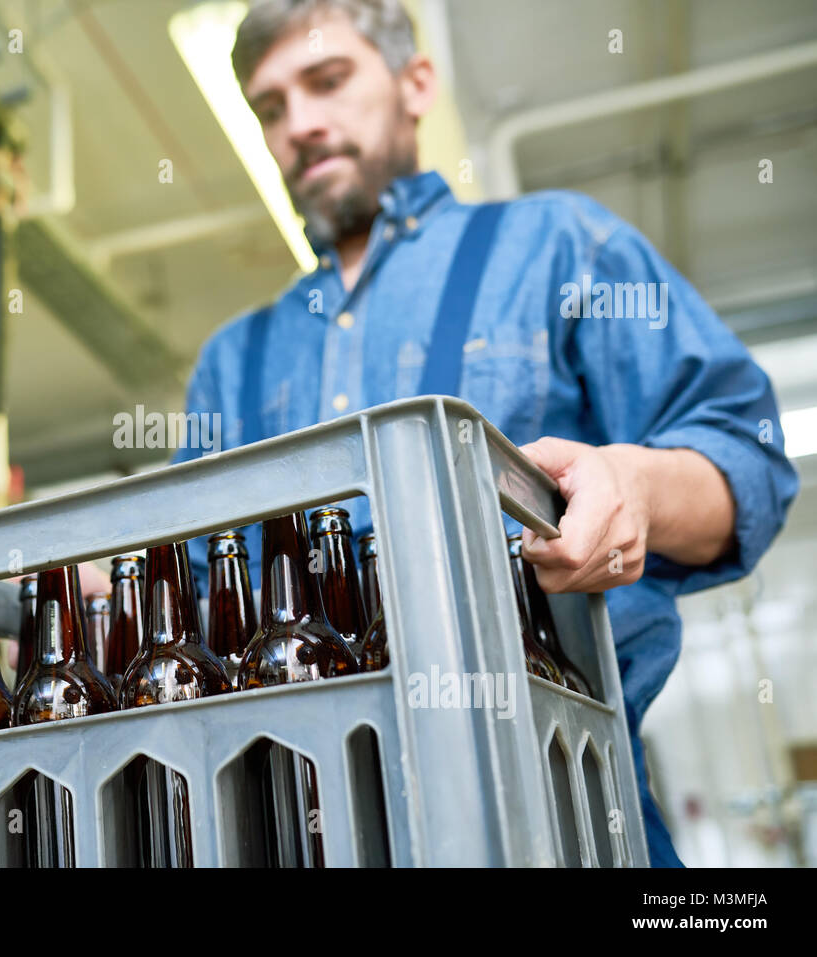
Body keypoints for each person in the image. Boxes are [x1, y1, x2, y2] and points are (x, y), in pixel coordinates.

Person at [171, 0, 798, 866]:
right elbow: (183, 594)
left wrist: (635, 486)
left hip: (565, 819)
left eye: (327, 81)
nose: (300, 124)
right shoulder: (229, 363)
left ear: (415, 82)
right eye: (270, 108)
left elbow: (749, 458)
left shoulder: (558, 247)